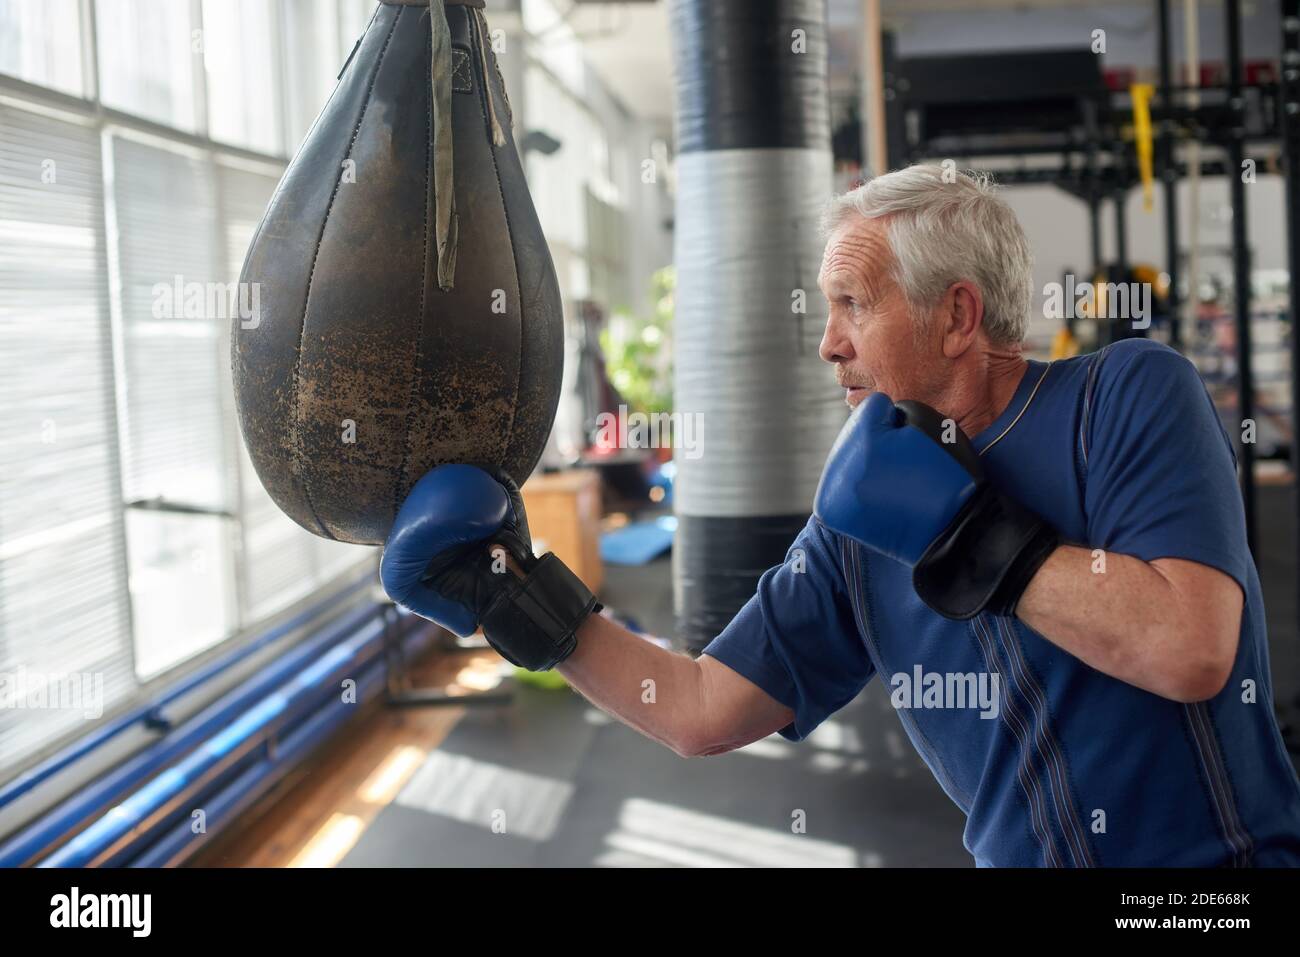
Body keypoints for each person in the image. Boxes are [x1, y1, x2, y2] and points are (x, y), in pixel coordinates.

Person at [380, 164, 1300, 867]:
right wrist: (518, 600)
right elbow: (700, 708)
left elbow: (1191, 646)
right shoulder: (855, 526)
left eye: (854, 304)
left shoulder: (1126, 396)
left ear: (957, 316)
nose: (830, 343)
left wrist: (967, 532)